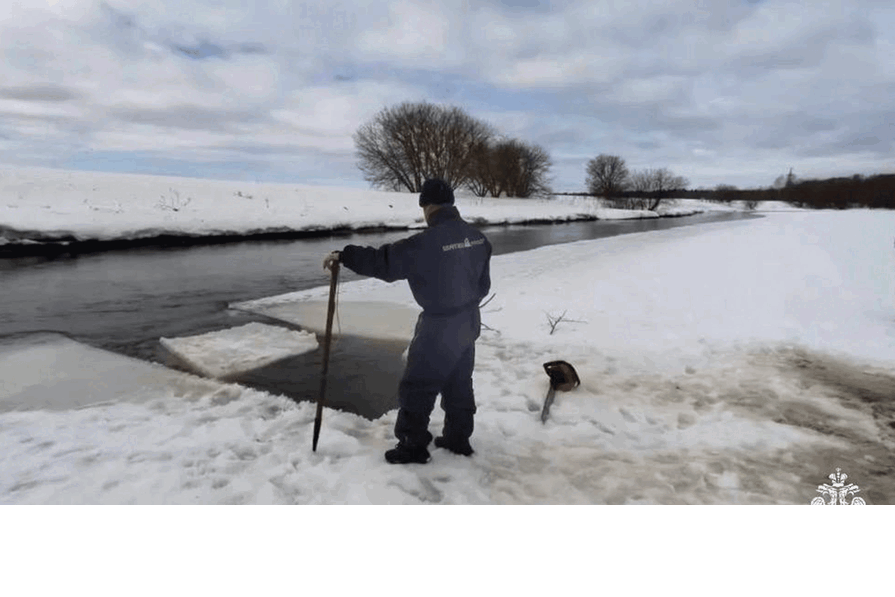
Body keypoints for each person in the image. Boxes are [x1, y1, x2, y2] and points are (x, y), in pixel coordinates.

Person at [322, 178, 492, 464]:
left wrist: (344, 255)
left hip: (439, 327)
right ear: (451, 203)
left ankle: (412, 447)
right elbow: (483, 286)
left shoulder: (424, 243)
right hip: (468, 321)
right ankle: (458, 439)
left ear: (426, 206)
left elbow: (383, 261)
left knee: (418, 386)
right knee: (459, 381)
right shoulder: (477, 238)